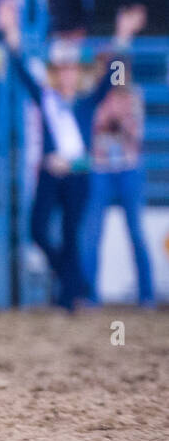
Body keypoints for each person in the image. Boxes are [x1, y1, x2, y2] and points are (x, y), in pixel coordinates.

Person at [0, 0, 144, 310]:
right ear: (55, 73)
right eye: (61, 70)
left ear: (77, 73)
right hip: (51, 174)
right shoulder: (46, 98)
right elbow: (21, 69)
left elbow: (112, 72)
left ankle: (68, 298)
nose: (66, 75)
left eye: (71, 70)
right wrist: (11, 33)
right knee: (37, 229)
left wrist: (123, 36)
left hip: (77, 174)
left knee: (71, 232)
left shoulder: (87, 102)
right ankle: (74, 282)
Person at [84, 81, 155, 306]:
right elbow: (92, 128)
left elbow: (135, 135)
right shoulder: (94, 94)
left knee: (135, 231)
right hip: (100, 168)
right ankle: (89, 295)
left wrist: (117, 119)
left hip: (129, 168)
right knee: (92, 233)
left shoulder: (134, 95)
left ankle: (147, 295)